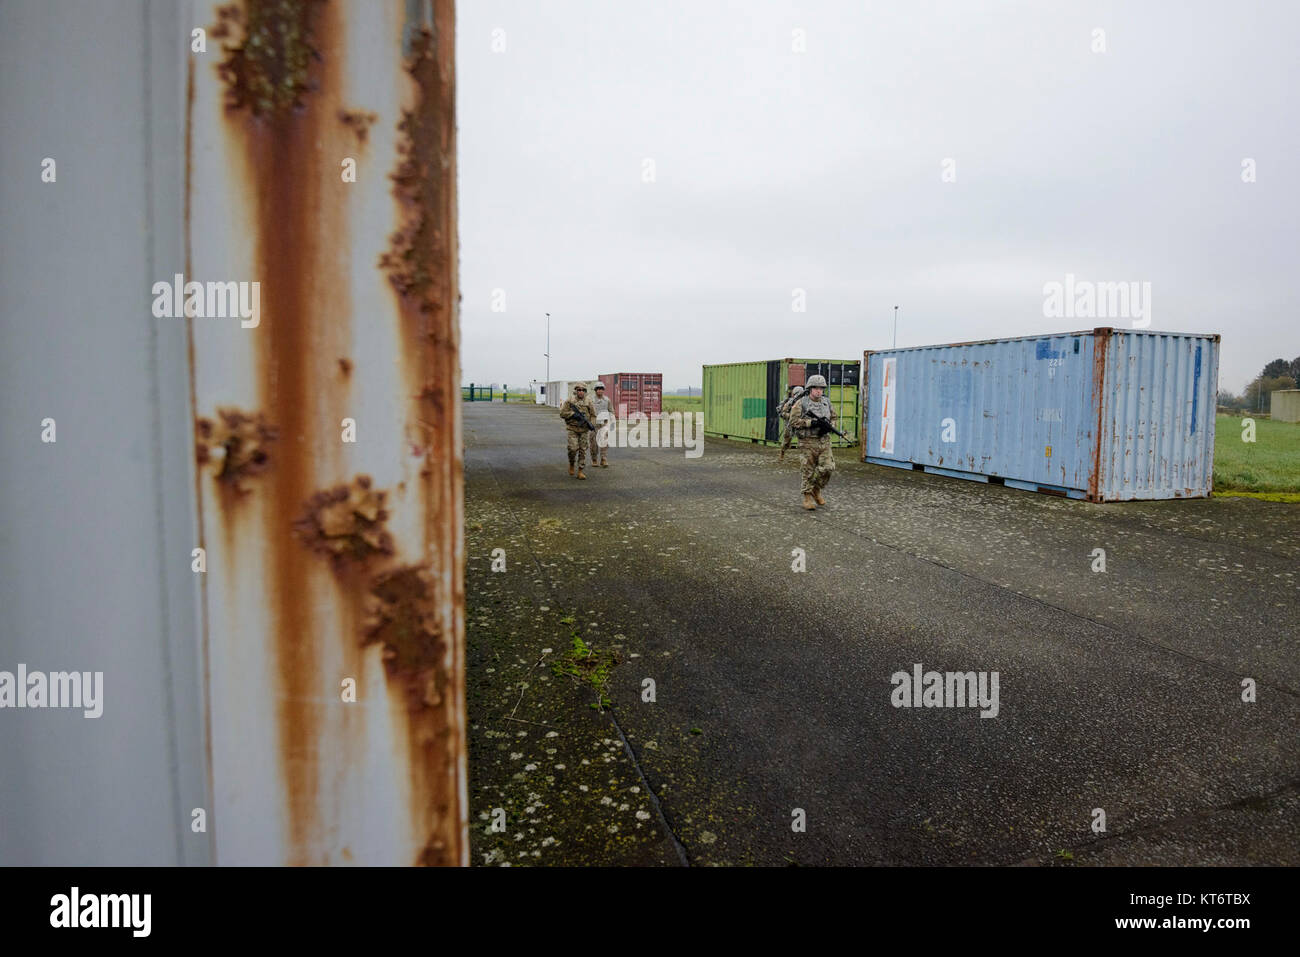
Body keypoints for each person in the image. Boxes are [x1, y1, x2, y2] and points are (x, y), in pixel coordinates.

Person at [785, 374, 836, 510]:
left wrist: (830, 426)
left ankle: (816, 489)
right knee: (807, 470)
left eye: (821, 388)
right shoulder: (801, 403)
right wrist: (810, 423)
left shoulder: (826, 402)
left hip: (824, 441)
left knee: (828, 467)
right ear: (810, 389)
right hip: (807, 442)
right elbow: (792, 422)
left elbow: (834, 417)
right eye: (816, 388)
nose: (819, 391)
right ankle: (807, 497)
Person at [559, 382, 598, 479]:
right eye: (579, 390)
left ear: (585, 392)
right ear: (576, 391)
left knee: (583, 450)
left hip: (584, 430)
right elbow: (562, 413)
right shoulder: (570, 401)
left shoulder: (589, 401)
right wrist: (573, 414)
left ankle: (580, 471)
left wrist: (592, 424)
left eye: (583, 390)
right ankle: (571, 463)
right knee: (572, 448)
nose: (581, 392)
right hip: (573, 429)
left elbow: (593, 415)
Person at [776, 385, 805, 461]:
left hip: (800, 424)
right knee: (786, 442)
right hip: (790, 425)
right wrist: (792, 416)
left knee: (804, 441)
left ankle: (806, 458)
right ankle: (782, 453)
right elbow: (783, 413)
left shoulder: (805, 402)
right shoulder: (790, 402)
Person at [589, 382, 615, 468]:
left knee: (604, 442)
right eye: (598, 389)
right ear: (595, 390)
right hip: (594, 424)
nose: (600, 391)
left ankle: (603, 459)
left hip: (604, 424)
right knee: (593, 443)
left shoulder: (607, 400)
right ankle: (594, 459)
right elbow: (587, 412)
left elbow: (611, 411)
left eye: (601, 389)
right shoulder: (590, 400)